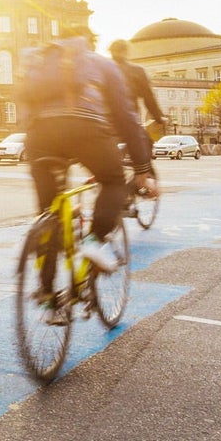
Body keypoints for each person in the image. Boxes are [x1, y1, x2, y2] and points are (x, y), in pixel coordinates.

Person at [22, 27, 157, 275]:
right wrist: (141, 168)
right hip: (85, 130)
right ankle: (94, 242)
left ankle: (47, 293)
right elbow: (126, 118)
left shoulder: (39, 60)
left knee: (49, 211)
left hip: (39, 135)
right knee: (114, 180)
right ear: (89, 41)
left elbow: (23, 103)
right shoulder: (101, 64)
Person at [109, 39, 167, 141]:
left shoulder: (101, 68)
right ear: (126, 51)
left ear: (111, 51)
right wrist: (158, 118)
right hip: (128, 120)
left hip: (104, 121)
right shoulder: (136, 71)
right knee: (143, 146)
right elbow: (148, 97)